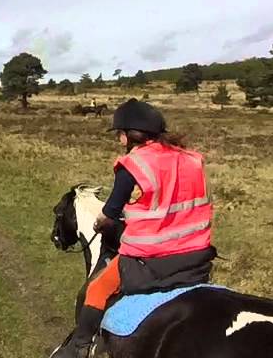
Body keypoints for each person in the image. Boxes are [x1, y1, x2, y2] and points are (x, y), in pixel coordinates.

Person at [51, 99, 216, 358]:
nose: (119, 139)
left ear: (128, 135)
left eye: (120, 133)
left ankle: (79, 347)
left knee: (96, 289)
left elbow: (111, 211)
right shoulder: (192, 159)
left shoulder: (134, 164)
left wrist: (102, 222)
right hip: (198, 259)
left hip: (150, 262)